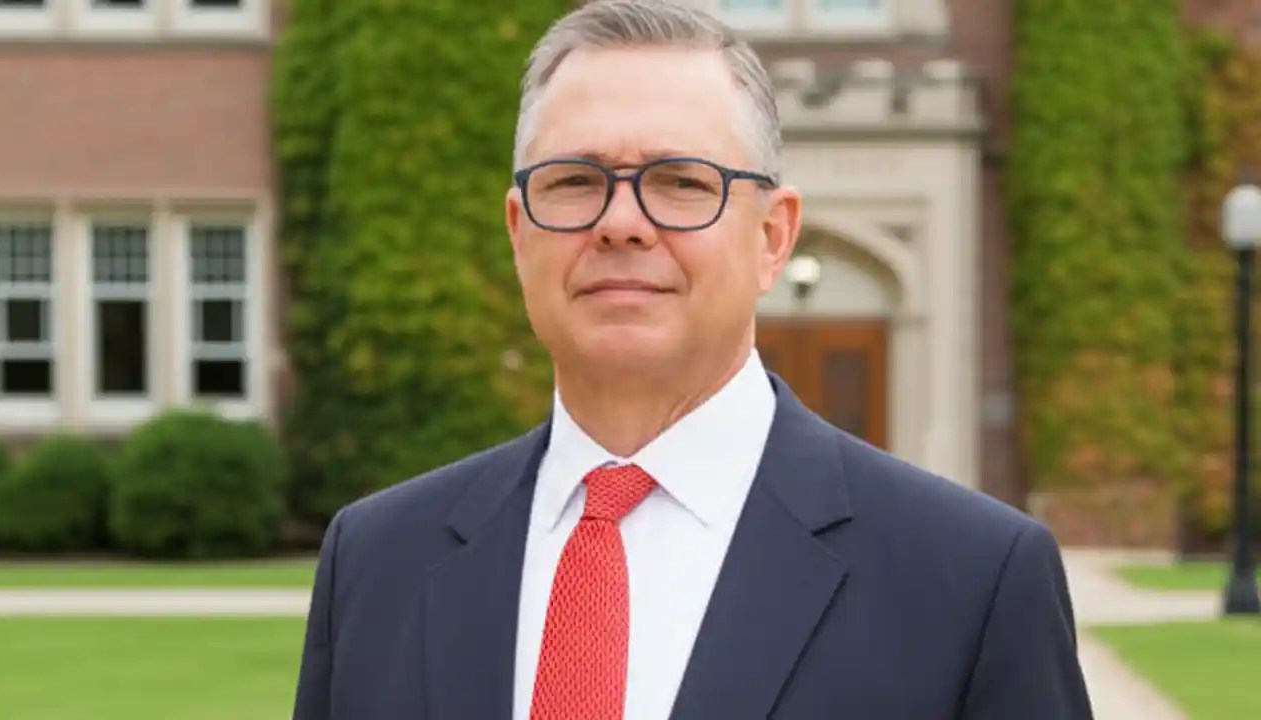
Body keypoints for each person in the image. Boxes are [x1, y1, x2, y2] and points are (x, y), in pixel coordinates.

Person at [292, 1, 1093, 718]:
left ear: (772, 237)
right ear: (518, 231)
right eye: (575, 180)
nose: (620, 222)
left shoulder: (971, 580)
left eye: (680, 182)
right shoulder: (376, 562)